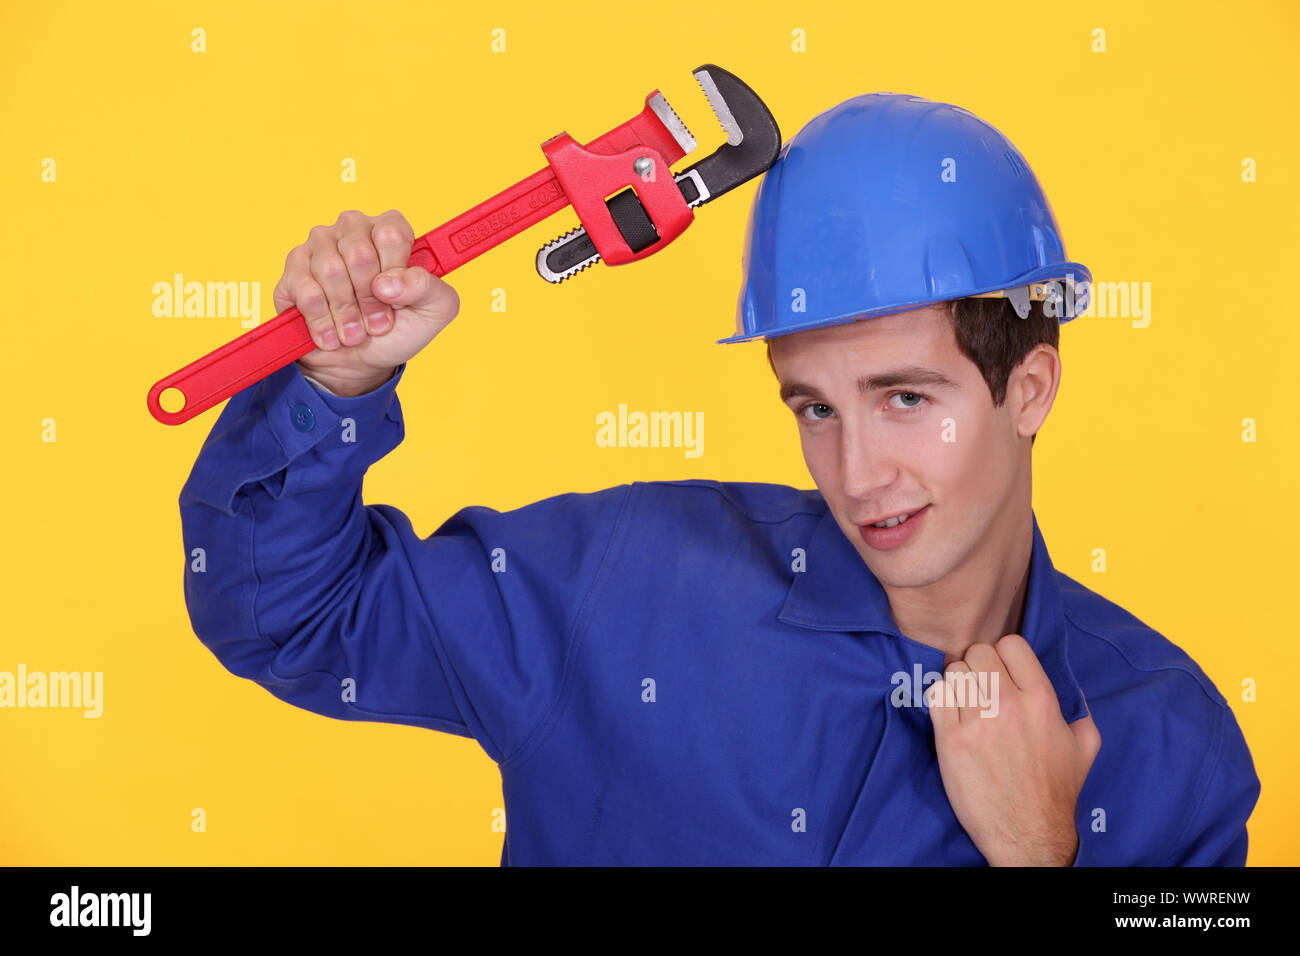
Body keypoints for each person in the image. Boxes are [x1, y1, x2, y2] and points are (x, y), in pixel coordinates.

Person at [179, 93, 1259, 866]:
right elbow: (294, 619)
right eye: (813, 407)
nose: (857, 471)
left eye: (905, 399)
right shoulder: (623, 590)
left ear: (1028, 388)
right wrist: (331, 383)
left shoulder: (1171, 746)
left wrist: (1037, 852)